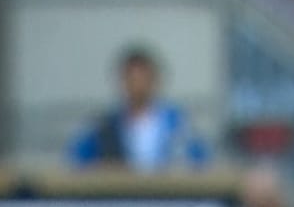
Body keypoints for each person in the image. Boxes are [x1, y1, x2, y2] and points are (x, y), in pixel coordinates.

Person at [68, 44, 210, 171]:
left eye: (143, 78)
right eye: (132, 79)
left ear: (155, 80)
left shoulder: (178, 127)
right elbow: (77, 159)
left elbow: (201, 161)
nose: (137, 85)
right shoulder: (105, 128)